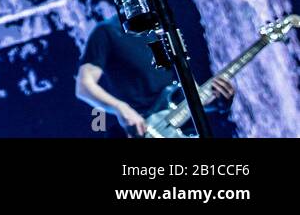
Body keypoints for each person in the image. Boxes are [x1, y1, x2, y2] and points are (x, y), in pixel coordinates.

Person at [75, 13, 235, 137]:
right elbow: (84, 86)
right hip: (145, 129)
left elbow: (189, 101)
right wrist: (121, 108)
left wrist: (217, 102)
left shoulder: (166, 28)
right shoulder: (107, 31)